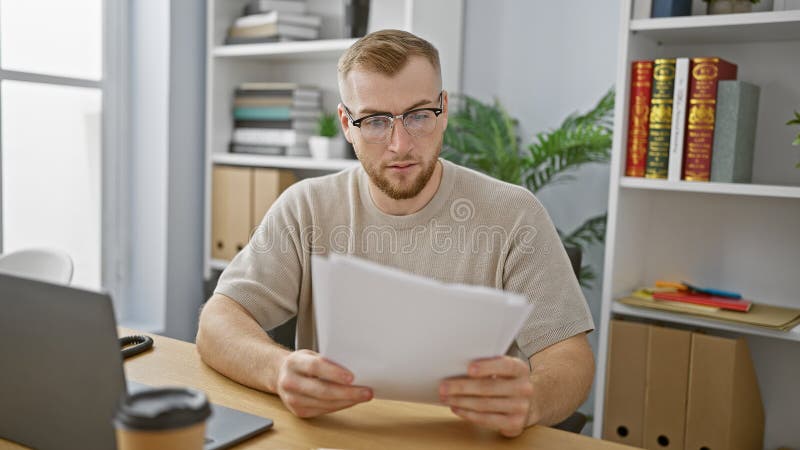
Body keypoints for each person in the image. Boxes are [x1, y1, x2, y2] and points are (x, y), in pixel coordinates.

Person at [197, 29, 595, 438]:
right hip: (333, 436)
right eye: (374, 121)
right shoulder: (306, 207)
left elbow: (570, 357)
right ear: (346, 124)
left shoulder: (513, 213)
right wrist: (277, 369)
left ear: (443, 109)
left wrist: (533, 398)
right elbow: (218, 320)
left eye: (419, 115)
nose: (400, 145)